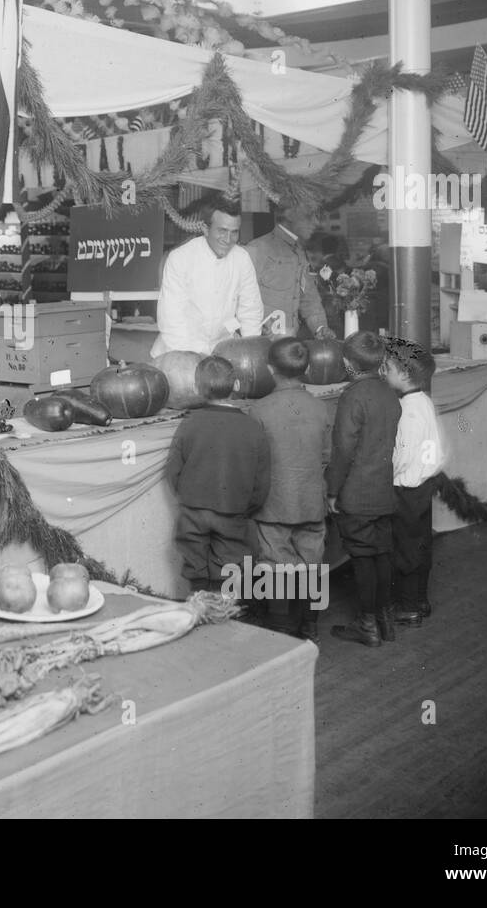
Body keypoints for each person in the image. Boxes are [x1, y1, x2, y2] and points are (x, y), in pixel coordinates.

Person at [165, 356, 271, 594]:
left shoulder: (189, 423)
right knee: (230, 568)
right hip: (233, 511)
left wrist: (188, 498)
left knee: (195, 567)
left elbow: (173, 470)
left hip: (193, 511)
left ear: (195, 388)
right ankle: (225, 618)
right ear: (236, 386)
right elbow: (261, 481)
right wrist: (247, 507)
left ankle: (199, 609)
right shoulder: (253, 426)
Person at [247, 338, 330, 640]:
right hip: (311, 500)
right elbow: (325, 456)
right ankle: (310, 624)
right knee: (313, 561)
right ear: (307, 368)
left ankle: (279, 627)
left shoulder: (259, 410)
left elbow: (255, 461)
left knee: (275, 562)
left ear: (269, 369)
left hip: (274, 503)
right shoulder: (320, 407)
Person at [326, 330, 402, 648]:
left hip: (357, 493)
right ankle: (384, 618)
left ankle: (367, 624)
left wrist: (332, 490)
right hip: (385, 490)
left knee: (361, 557)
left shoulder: (352, 396)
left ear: (347, 363)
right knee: (381, 553)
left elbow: (343, 450)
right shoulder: (390, 392)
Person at [382, 336, 445, 628]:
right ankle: (419, 600)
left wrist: (387, 475)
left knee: (404, 548)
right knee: (420, 546)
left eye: (388, 368)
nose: (384, 372)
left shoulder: (406, 411)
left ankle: (407, 607)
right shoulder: (423, 402)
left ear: (404, 374)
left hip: (405, 488)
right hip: (424, 486)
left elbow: (402, 456)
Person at [152, 195, 264, 357]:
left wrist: (250, 353)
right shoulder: (180, 258)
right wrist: (194, 359)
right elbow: (172, 319)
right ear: (205, 229)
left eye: (234, 232)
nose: (228, 239)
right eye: (222, 231)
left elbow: (251, 310)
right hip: (179, 351)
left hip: (223, 352)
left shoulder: (242, 258)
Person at [247, 203, 335, 341]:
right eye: (309, 215)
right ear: (289, 213)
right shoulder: (258, 249)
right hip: (261, 344)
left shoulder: (300, 253)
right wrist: (260, 323)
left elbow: (309, 299)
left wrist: (320, 328)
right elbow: (237, 298)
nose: (316, 222)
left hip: (290, 346)